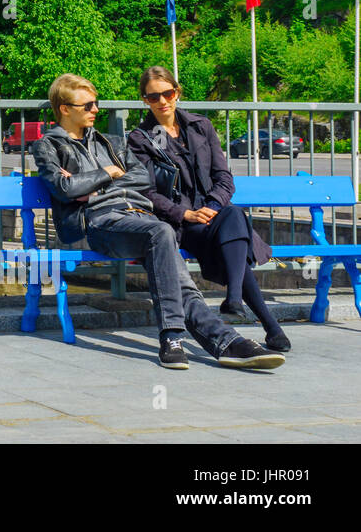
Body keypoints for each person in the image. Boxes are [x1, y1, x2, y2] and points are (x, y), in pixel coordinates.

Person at [31, 73, 283, 370]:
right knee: (161, 233)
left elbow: (140, 178)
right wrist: (108, 173)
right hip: (100, 223)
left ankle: (221, 341)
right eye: (87, 105)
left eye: (96, 103)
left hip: (140, 219)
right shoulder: (48, 146)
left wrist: (93, 183)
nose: (96, 110)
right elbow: (64, 189)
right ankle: (174, 335)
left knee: (171, 261)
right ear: (64, 108)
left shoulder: (112, 142)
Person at [127, 66, 289, 352]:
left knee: (234, 216)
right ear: (145, 100)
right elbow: (146, 192)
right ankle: (266, 323)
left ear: (177, 92)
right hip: (179, 225)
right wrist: (185, 214)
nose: (162, 101)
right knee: (235, 231)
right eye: (154, 97)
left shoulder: (201, 126)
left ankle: (237, 301)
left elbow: (224, 178)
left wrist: (212, 206)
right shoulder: (141, 139)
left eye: (168, 93)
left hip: (213, 217)